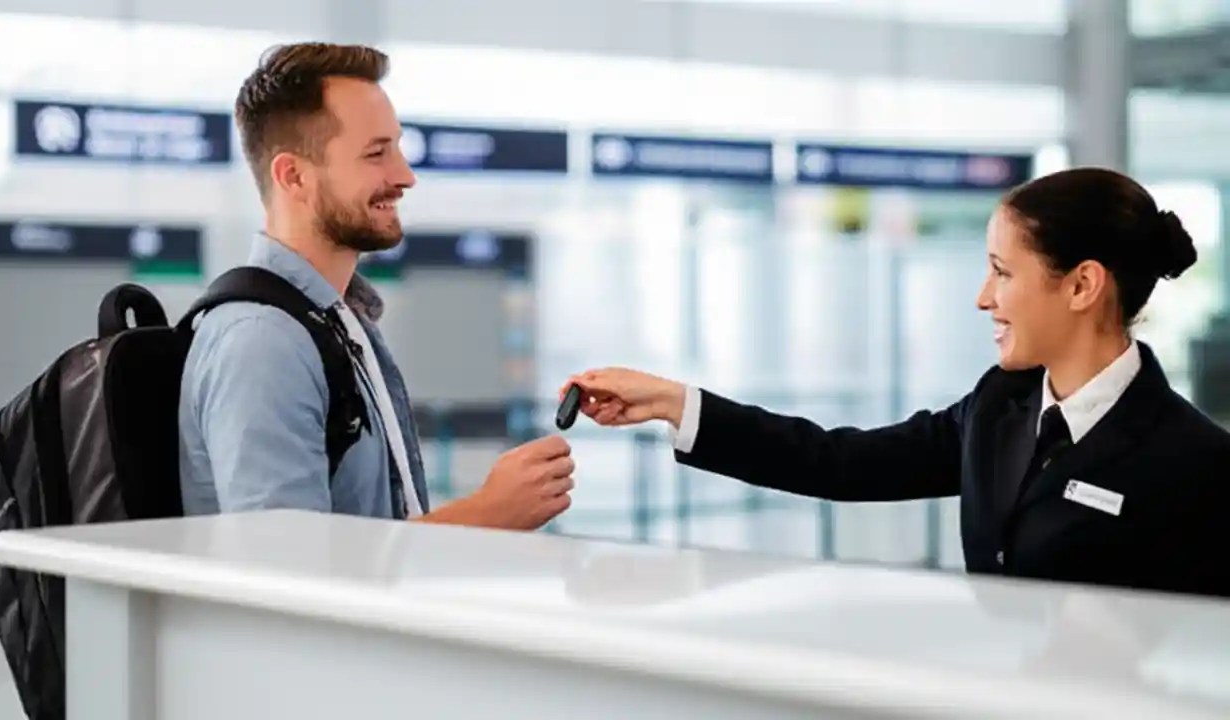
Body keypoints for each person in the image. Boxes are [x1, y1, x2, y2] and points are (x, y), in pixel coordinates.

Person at [563, 167, 1230, 599]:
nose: (982, 298)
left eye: (1002, 272)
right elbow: (840, 463)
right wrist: (678, 404)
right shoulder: (998, 408)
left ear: (1082, 284)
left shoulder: (1194, 461)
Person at [179, 42, 574, 529]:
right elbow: (283, 571)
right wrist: (486, 514)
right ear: (294, 176)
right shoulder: (262, 340)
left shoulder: (338, 320)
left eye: (397, 148)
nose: (404, 176)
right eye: (376, 154)